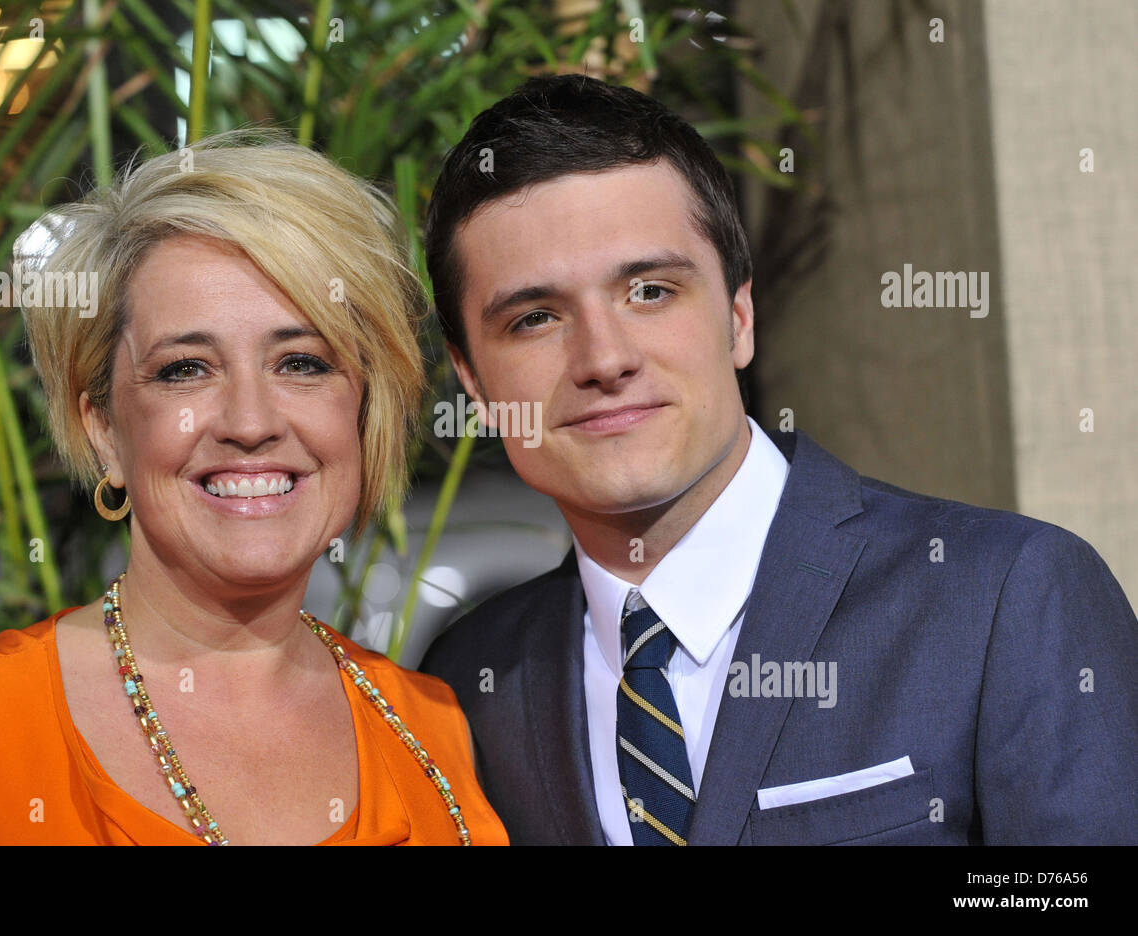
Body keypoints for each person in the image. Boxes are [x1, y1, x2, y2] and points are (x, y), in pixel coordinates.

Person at [417, 74, 1138, 845]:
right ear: (473, 380)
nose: (604, 358)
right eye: (534, 318)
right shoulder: (469, 679)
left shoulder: (1005, 598)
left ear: (738, 316)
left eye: (651, 291)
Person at [0, 130, 507, 846]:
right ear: (101, 428)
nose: (249, 422)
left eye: (303, 363)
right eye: (185, 369)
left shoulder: (434, 731)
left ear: (365, 408)